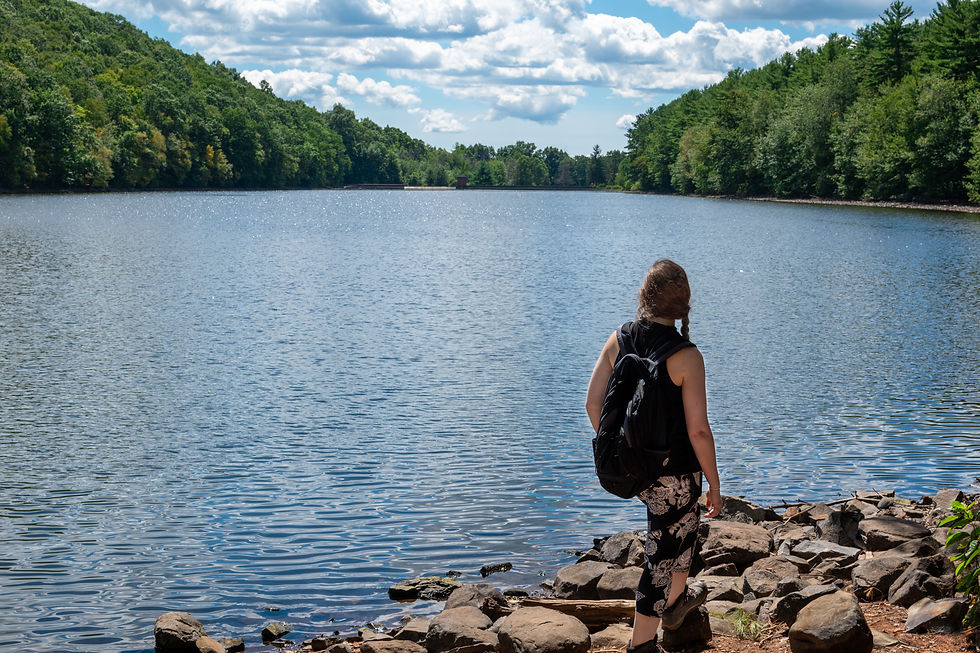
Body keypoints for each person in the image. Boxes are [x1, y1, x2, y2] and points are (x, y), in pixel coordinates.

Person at [586, 259, 722, 653]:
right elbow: (698, 430)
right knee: (662, 557)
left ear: (644, 297)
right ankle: (641, 645)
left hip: (637, 470)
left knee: (682, 534)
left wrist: (624, 451)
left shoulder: (619, 338)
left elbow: (593, 405)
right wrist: (714, 481)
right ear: (683, 306)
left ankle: (676, 607)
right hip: (676, 475)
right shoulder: (686, 356)